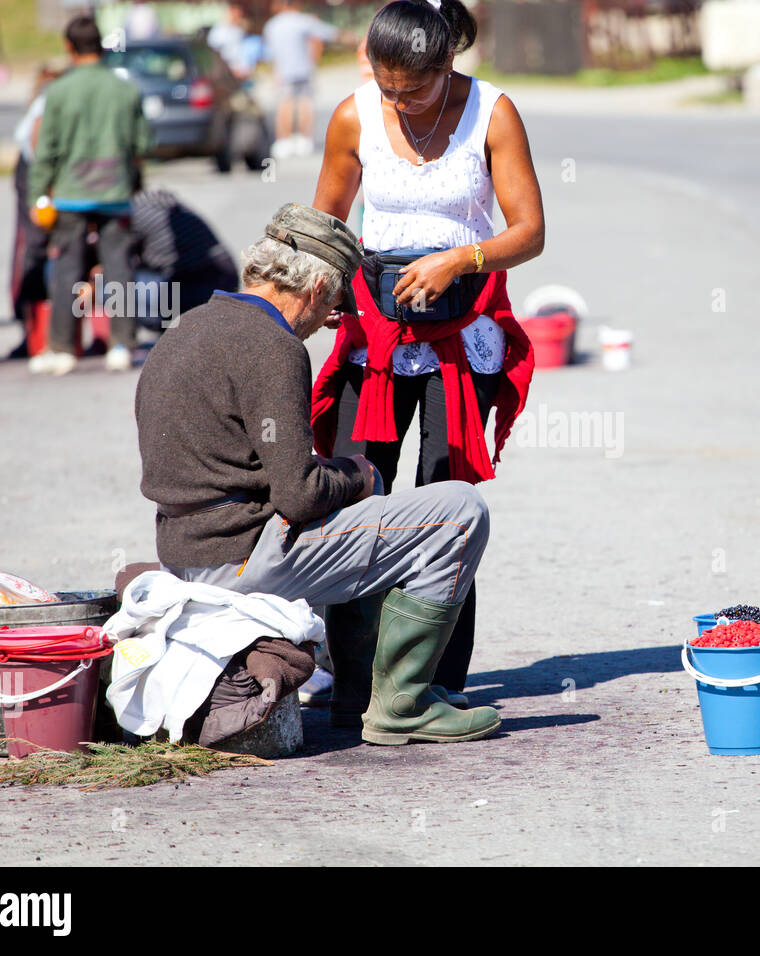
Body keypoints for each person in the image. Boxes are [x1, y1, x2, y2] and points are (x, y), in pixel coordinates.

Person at [135, 202, 501, 745]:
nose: (327, 320)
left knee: (360, 510)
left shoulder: (190, 327)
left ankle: (357, 696)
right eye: (331, 303)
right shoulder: (273, 346)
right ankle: (403, 703)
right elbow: (300, 494)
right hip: (241, 559)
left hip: (187, 551)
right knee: (459, 511)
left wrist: (344, 481)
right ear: (311, 292)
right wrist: (362, 474)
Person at [308, 0, 542, 726]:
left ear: (448, 66)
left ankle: (428, 683)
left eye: (414, 88)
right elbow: (324, 222)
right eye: (386, 88)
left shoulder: (494, 114)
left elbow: (529, 230)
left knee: (445, 505)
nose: (398, 103)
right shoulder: (352, 116)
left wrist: (460, 257)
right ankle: (354, 686)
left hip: (458, 332)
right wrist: (314, 291)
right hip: (373, 338)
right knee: (355, 498)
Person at [27, 14, 149, 376]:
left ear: (68, 47)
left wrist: (37, 194)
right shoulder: (125, 88)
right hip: (115, 192)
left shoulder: (59, 91)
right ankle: (121, 345)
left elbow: (45, 149)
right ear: (101, 46)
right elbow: (143, 143)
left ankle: (64, 349)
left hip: (70, 194)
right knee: (119, 269)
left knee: (67, 269)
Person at [6, 58, 66, 359]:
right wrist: (45, 196)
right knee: (33, 253)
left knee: (40, 253)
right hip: (35, 183)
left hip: (38, 182)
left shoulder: (49, 98)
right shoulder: (48, 104)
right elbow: (38, 150)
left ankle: (44, 332)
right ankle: (32, 334)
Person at [129, 187, 238, 331]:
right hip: (224, 281)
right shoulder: (158, 203)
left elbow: (121, 263)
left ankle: (170, 327)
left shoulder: (133, 213)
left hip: (195, 287)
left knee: (107, 286)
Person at [263, 0, 351, 157]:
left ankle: (284, 140)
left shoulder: (272, 25)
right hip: (303, 69)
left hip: (283, 72)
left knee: (285, 105)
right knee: (305, 104)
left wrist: (274, 73)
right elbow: (329, 33)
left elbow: (270, 53)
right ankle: (304, 139)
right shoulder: (303, 21)